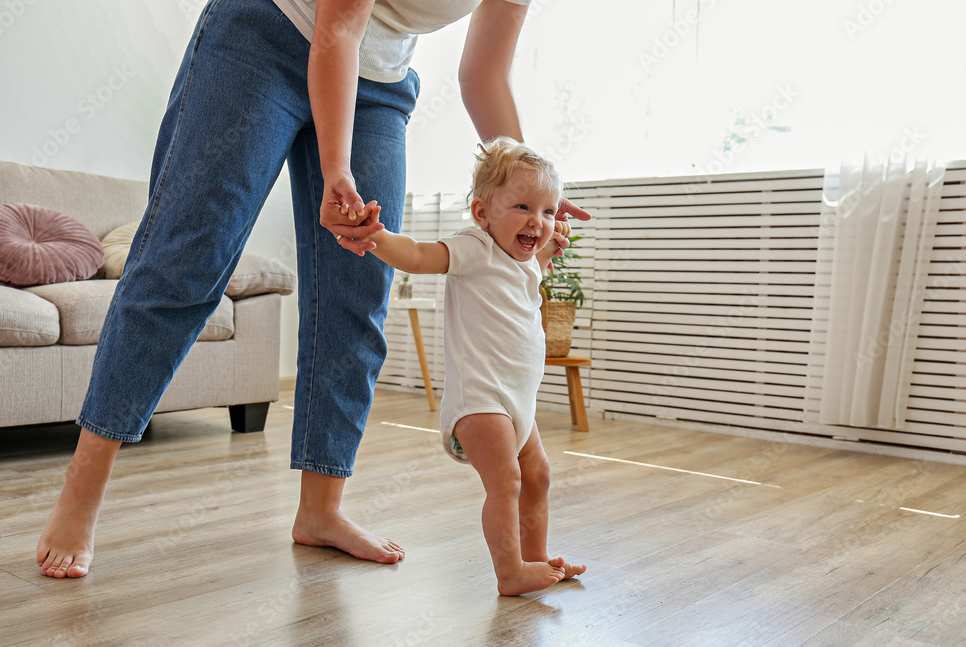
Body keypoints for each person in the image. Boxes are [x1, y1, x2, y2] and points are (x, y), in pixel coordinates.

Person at [36, 0, 590, 579]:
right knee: (184, 261)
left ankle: (321, 511)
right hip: (264, 40)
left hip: (380, 81)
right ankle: (83, 488)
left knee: (358, 288)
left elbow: (483, 75)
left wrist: (532, 188)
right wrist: (335, 169)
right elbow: (339, 24)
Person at [347, 138, 587, 595]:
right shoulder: (474, 247)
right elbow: (418, 256)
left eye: (548, 211)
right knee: (507, 481)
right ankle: (510, 572)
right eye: (522, 206)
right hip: (480, 402)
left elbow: (525, 270)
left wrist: (546, 251)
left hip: (518, 403)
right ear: (482, 214)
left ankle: (537, 562)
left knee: (538, 476)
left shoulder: (525, 261)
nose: (537, 221)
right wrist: (375, 237)